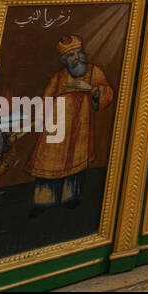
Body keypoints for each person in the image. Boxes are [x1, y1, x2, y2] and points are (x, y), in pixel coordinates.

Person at [28, 35, 115, 216]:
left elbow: (107, 94)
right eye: (71, 55)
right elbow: (45, 100)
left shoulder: (94, 72)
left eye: (79, 53)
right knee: (49, 164)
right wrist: (38, 119)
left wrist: (89, 88)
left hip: (80, 130)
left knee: (76, 164)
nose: (77, 57)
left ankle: (71, 199)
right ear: (64, 59)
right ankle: (44, 201)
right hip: (56, 129)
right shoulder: (58, 77)